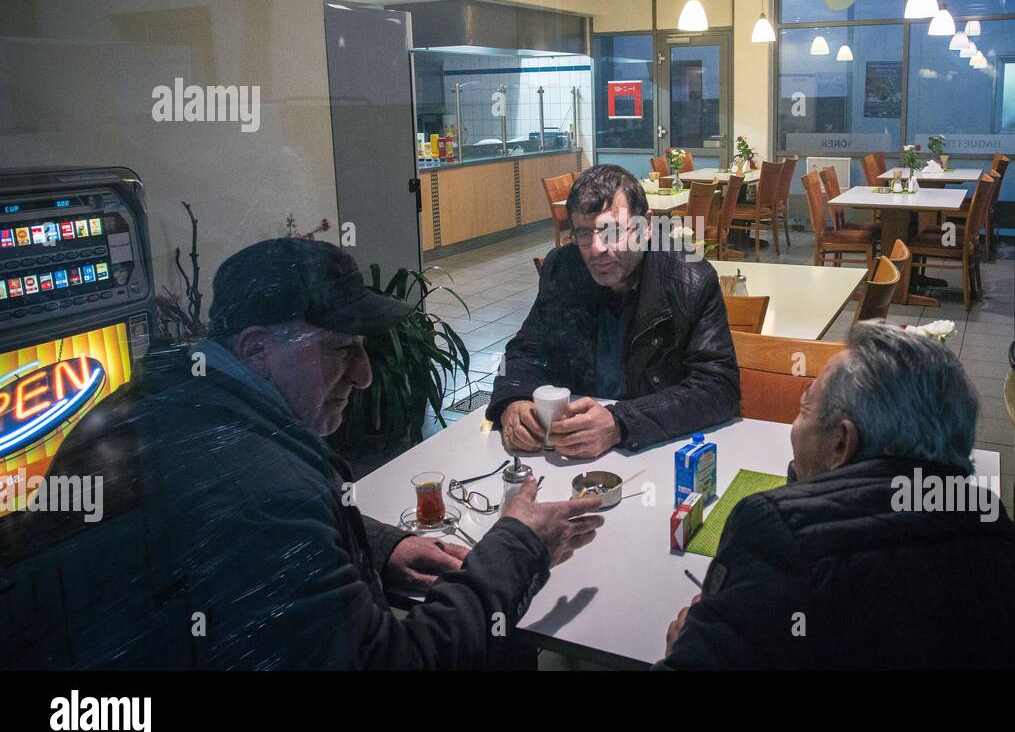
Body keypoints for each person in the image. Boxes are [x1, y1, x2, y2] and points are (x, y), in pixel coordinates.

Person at [6, 238, 603, 669]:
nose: (366, 375)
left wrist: (377, 545)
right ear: (258, 348)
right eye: (341, 349)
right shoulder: (255, 495)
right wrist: (520, 543)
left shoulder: (170, 396)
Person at [658, 321, 1015, 670]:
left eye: (803, 409)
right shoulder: (990, 525)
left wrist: (686, 651)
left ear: (841, 443)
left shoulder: (777, 529)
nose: (794, 428)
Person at [487, 164, 739, 457]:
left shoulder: (691, 278)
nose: (596, 249)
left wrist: (620, 422)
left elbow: (719, 387)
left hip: (653, 453)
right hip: (567, 454)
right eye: (583, 233)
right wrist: (512, 400)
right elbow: (526, 351)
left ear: (646, 226)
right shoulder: (563, 268)